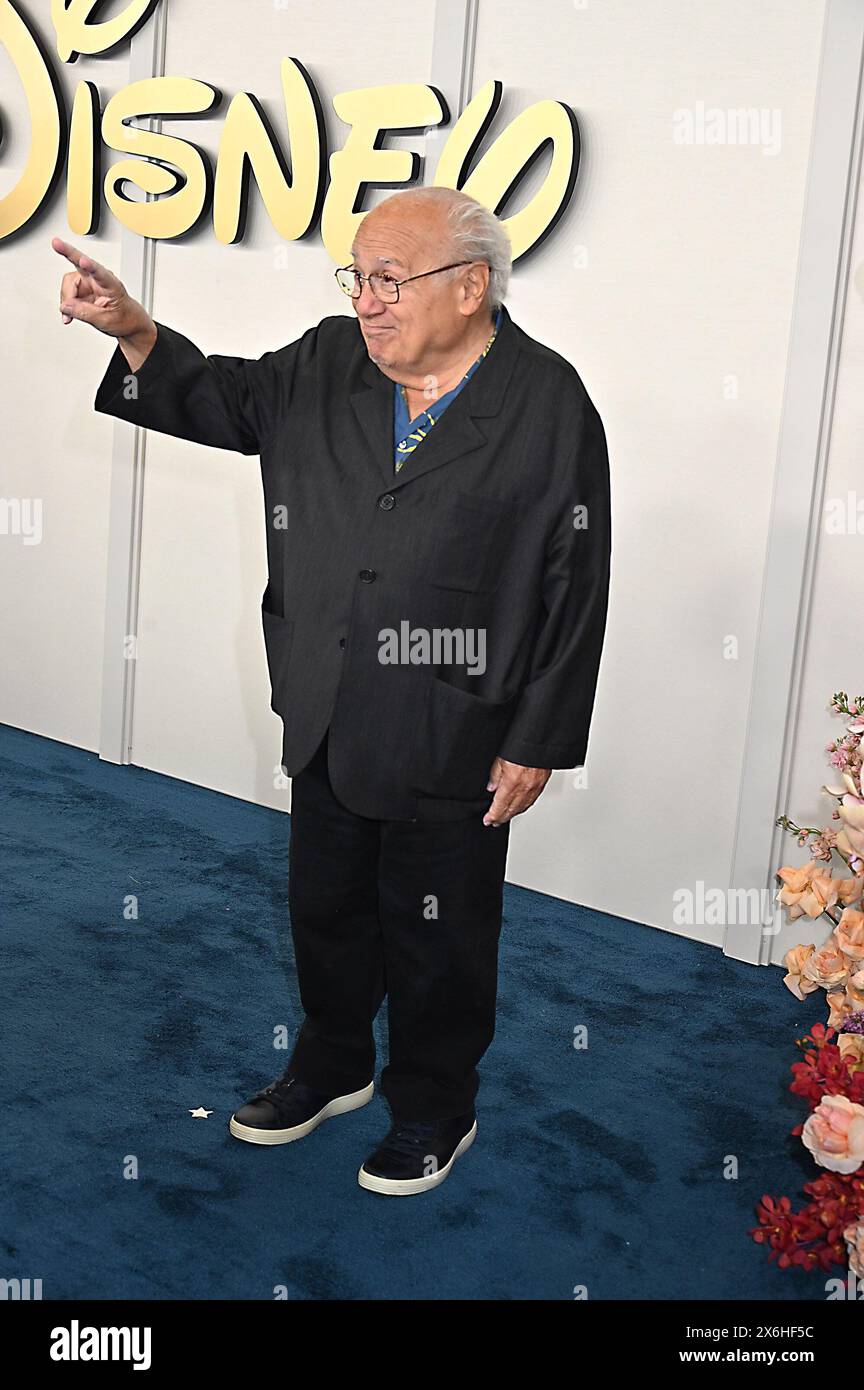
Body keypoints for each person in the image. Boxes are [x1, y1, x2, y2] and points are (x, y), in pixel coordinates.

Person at [52, 185, 611, 1197]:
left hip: (457, 722)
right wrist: (132, 327)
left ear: (472, 284)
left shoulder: (547, 403)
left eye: (391, 278)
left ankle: (437, 1104)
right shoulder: (326, 361)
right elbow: (219, 399)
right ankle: (334, 1059)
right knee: (327, 903)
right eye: (359, 276)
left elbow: (577, 584)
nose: (369, 299)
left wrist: (539, 734)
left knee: (439, 933)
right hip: (329, 697)